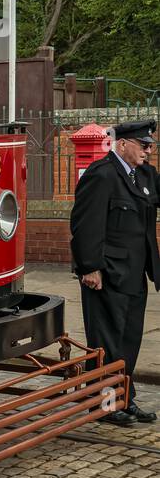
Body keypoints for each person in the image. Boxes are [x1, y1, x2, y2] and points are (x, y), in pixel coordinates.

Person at [70, 119, 160, 425]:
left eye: (151, 146)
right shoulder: (102, 174)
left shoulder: (145, 175)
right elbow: (85, 224)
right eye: (144, 145)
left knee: (129, 342)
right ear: (122, 145)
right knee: (106, 344)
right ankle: (104, 406)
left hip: (136, 274)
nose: (149, 150)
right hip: (106, 275)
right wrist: (89, 267)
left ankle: (124, 398)